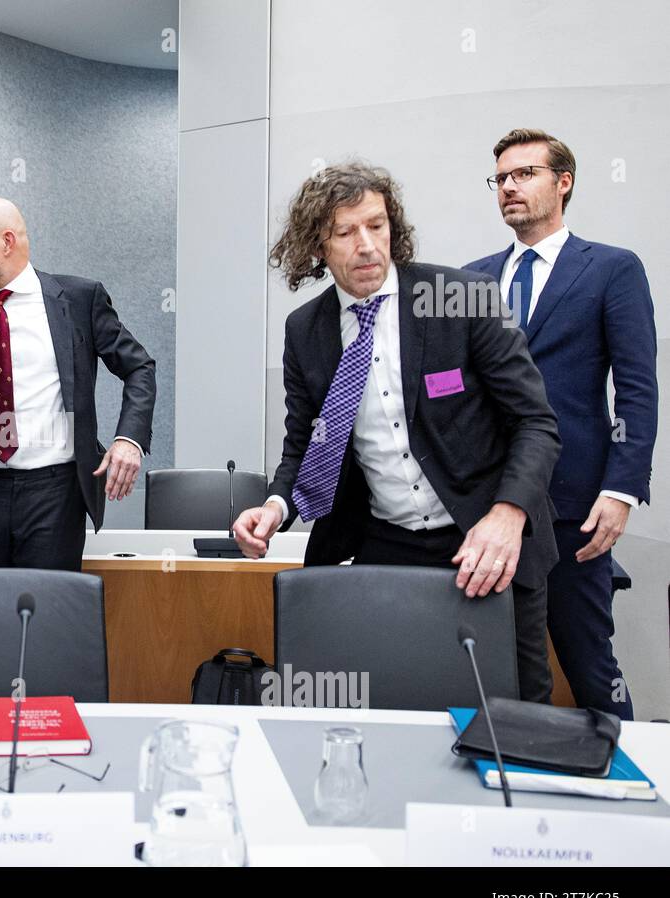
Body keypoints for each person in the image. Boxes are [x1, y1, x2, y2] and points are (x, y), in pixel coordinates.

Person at [233, 163, 561, 703]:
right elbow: (306, 441)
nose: (366, 245)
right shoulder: (305, 330)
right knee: (393, 699)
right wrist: (274, 506)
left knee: (514, 712)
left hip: (486, 539)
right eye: (345, 232)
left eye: (377, 225)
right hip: (388, 546)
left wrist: (508, 515)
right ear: (317, 245)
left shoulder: (462, 296)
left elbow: (535, 422)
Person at [466, 128, 657, 719]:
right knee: (490, 667)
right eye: (501, 178)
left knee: (589, 667)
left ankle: (632, 799)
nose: (509, 188)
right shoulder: (470, 279)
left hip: (574, 506)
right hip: (486, 507)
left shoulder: (611, 269)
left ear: (563, 182)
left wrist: (621, 490)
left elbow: (637, 388)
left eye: (524, 174)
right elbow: (454, 384)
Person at [0, 197, 156, 570]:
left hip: (55, 494)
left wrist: (129, 440)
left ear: (7, 241)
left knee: (48, 615)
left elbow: (139, 367)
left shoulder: (79, 299)